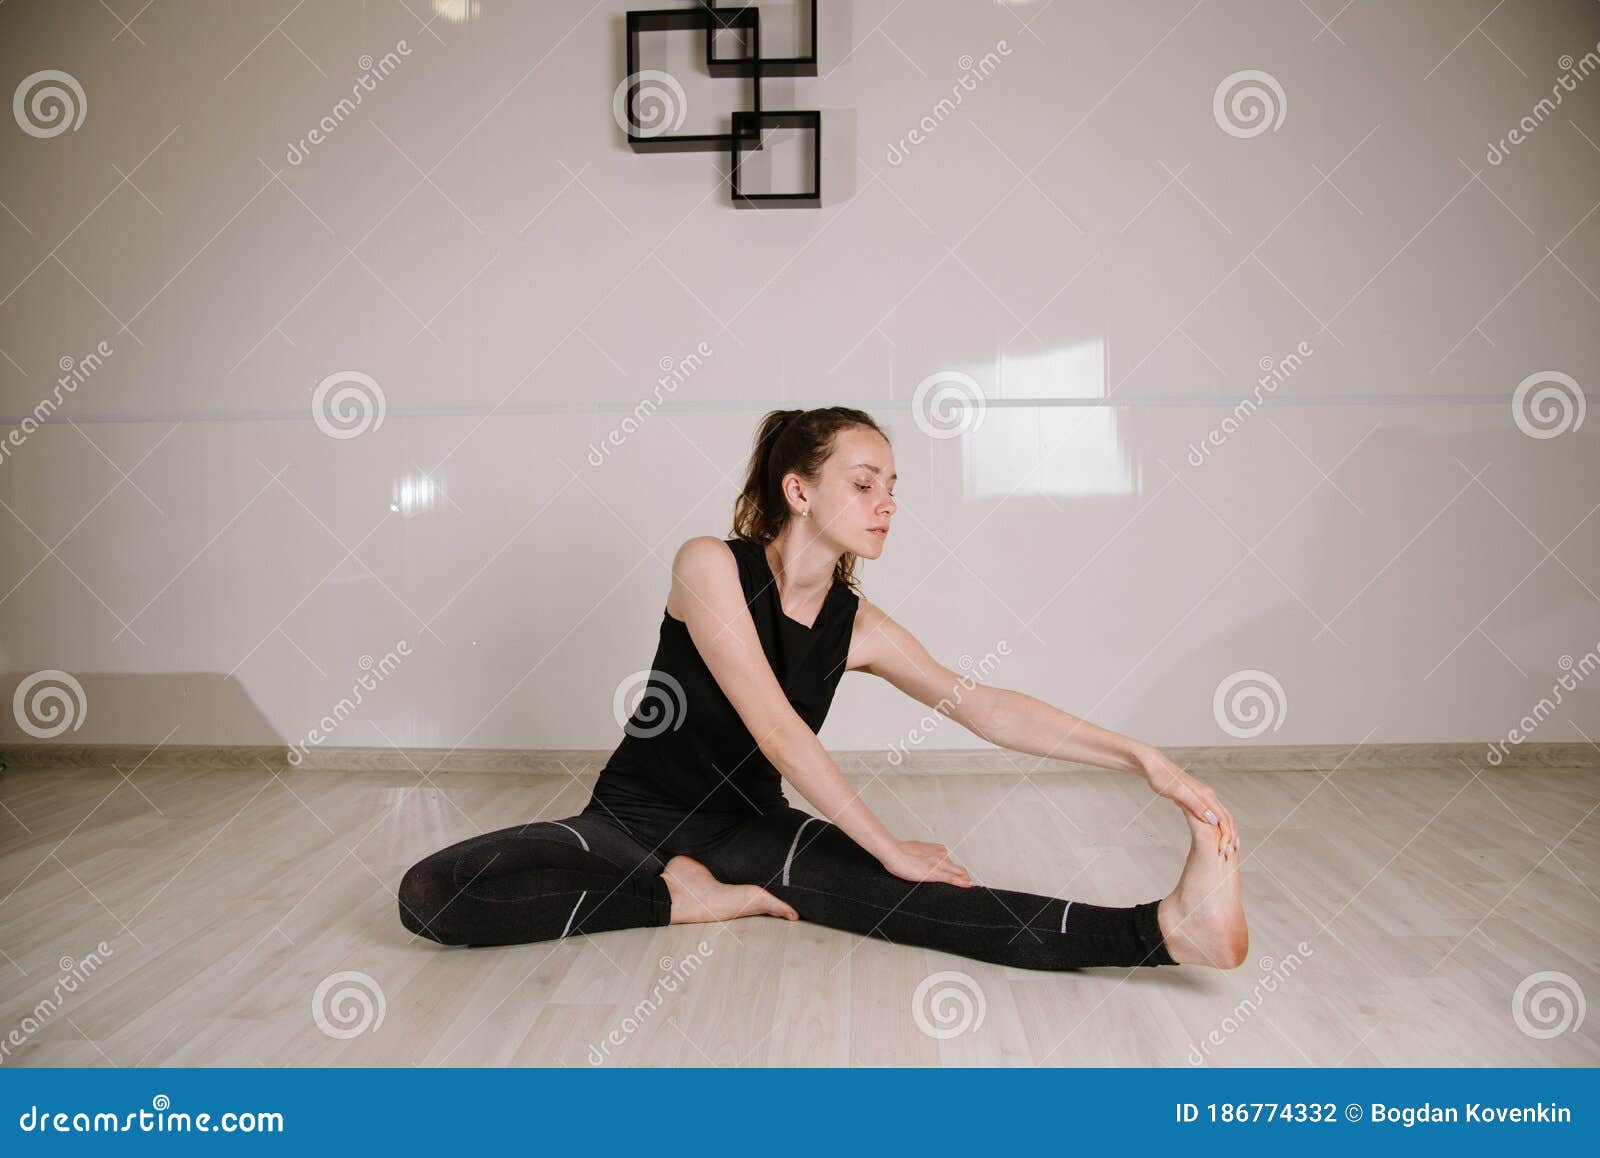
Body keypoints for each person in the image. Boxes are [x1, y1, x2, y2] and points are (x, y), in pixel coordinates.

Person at [398, 406, 1248, 970]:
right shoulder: (709, 567)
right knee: (432, 895)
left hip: (750, 834)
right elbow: (776, 729)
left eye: (892, 489)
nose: (886, 505)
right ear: (799, 490)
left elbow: (982, 705)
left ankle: (1166, 930)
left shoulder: (857, 625)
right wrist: (885, 842)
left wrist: (1144, 759)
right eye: (864, 483)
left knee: (926, 907)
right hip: (626, 824)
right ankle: (677, 901)